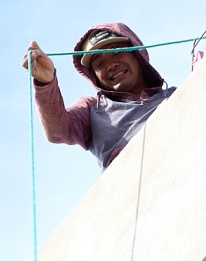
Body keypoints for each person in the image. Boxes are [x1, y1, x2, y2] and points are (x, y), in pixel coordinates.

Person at [22, 22, 177, 169]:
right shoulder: (92, 109)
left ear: (137, 54)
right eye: (99, 64)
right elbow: (57, 130)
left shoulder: (174, 95)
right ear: (94, 76)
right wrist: (46, 83)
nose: (111, 65)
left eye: (117, 52)